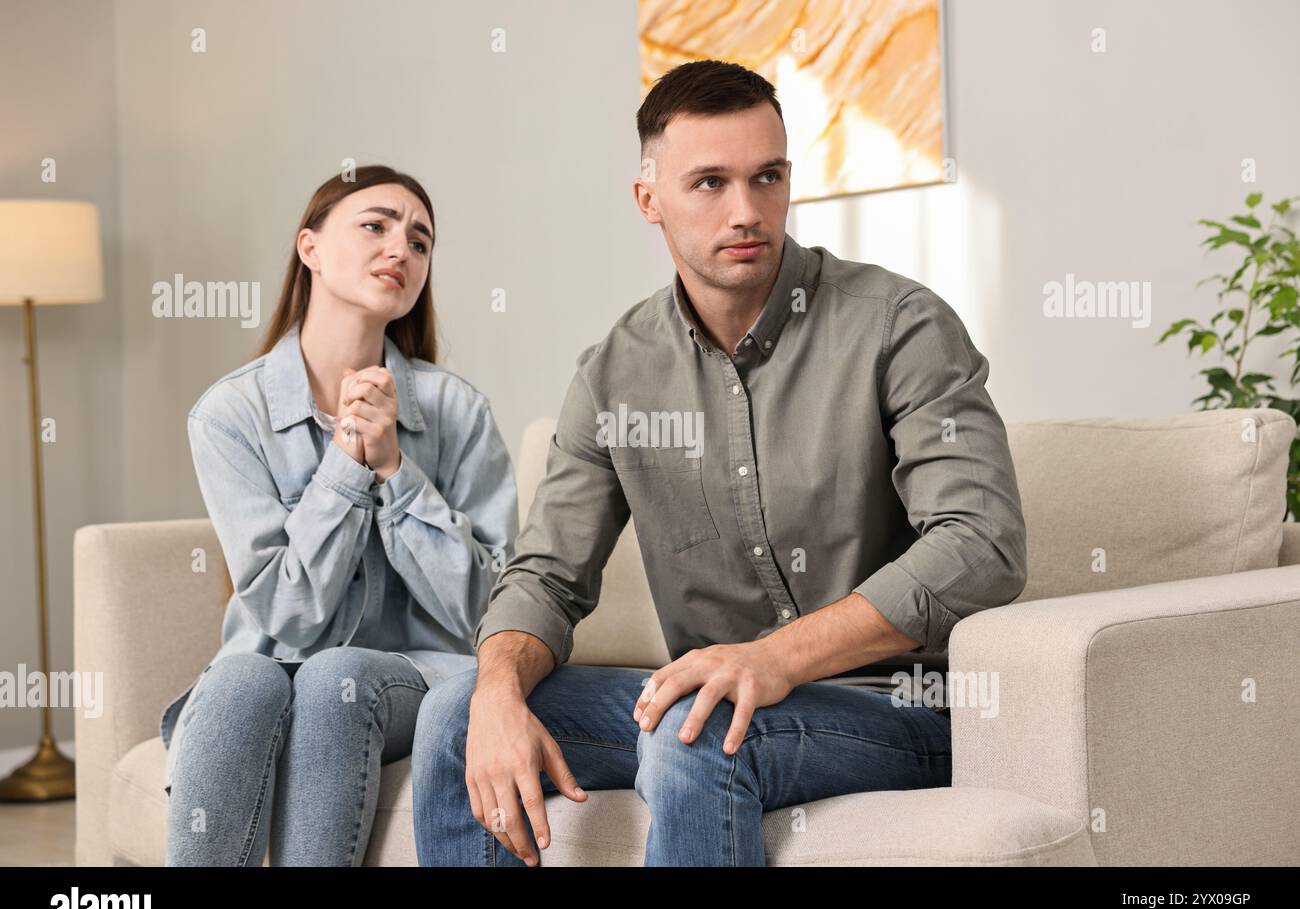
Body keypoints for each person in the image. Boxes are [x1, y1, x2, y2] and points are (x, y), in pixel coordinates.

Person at [411, 60, 1028, 867]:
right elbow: (546, 576)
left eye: (766, 177)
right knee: (457, 712)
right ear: (649, 200)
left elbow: (982, 544)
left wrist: (773, 657)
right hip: (711, 701)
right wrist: (496, 686)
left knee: (694, 728)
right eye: (709, 183)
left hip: (893, 708)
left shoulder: (897, 326)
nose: (747, 211)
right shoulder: (614, 373)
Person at [160, 165, 517, 866]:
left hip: (419, 678)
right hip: (268, 668)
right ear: (310, 247)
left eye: (420, 241)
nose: (401, 249)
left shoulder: (459, 412)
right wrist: (348, 466)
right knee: (238, 678)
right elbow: (286, 614)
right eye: (376, 225)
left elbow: (490, 610)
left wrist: (393, 468)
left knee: (335, 676)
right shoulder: (230, 414)